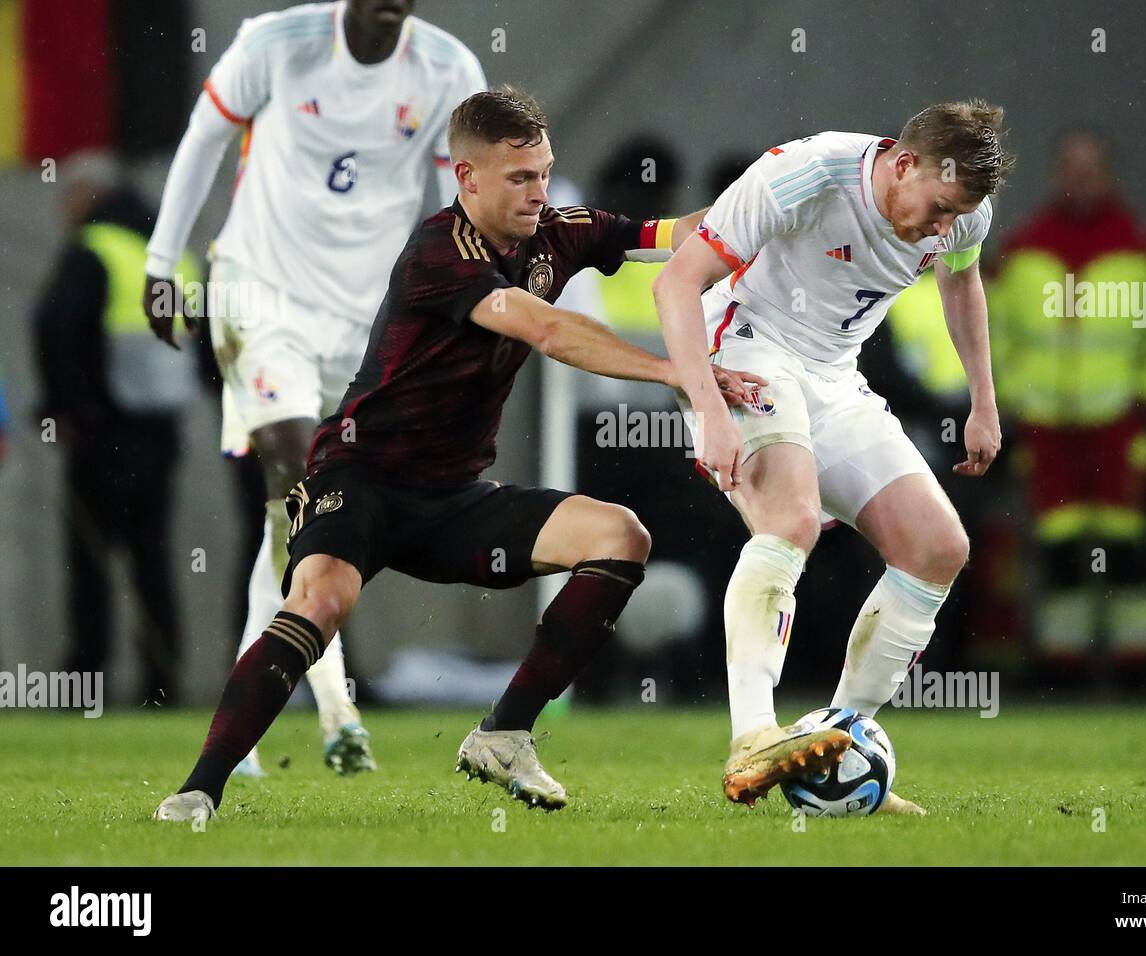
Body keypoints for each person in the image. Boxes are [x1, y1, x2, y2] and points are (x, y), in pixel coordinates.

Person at [153, 86, 761, 824]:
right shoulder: (439, 250)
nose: (539, 193)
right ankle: (198, 791)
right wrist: (679, 373)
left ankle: (504, 733)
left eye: (543, 172)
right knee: (318, 602)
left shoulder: (563, 230)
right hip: (360, 480)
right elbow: (547, 330)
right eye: (518, 178)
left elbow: (682, 236)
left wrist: (772, 199)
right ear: (466, 177)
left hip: (452, 499)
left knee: (620, 536)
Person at [142, 0, 485, 775]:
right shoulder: (277, 42)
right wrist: (165, 264)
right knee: (295, 472)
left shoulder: (448, 68)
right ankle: (336, 705)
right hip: (259, 294)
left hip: (368, 314)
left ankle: (248, 727)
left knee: (316, 506)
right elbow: (205, 136)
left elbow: (451, 201)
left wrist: (451, 307)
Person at [653, 102, 1013, 811]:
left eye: (957, 216)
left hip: (834, 376)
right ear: (904, 163)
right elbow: (676, 281)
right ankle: (753, 737)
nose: (943, 228)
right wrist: (706, 405)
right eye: (938, 209)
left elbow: (962, 283)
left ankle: (839, 748)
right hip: (745, 349)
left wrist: (983, 400)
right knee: (790, 521)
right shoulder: (805, 174)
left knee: (938, 547)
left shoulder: (965, 212)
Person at [990, 130, 1146, 676]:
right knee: (1055, 543)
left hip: (1121, 417)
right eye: (1071, 167)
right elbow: (995, 334)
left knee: (1125, 542)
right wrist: (1011, 398)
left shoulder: (1141, 248)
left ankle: (1138, 659)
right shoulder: (1022, 250)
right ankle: (1062, 661)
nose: (1081, 178)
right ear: (1056, 174)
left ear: (1109, 173)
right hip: (1045, 421)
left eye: (1091, 167)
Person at [33, 153, 201, 705]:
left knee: (92, 558)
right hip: (162, 433)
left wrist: (63, 409)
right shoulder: (174, 257)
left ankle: (87, 680)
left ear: (86, 196)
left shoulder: (94, 249)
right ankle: (162, 682)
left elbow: (56, 326)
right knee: (152, 556)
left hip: (101, 433)